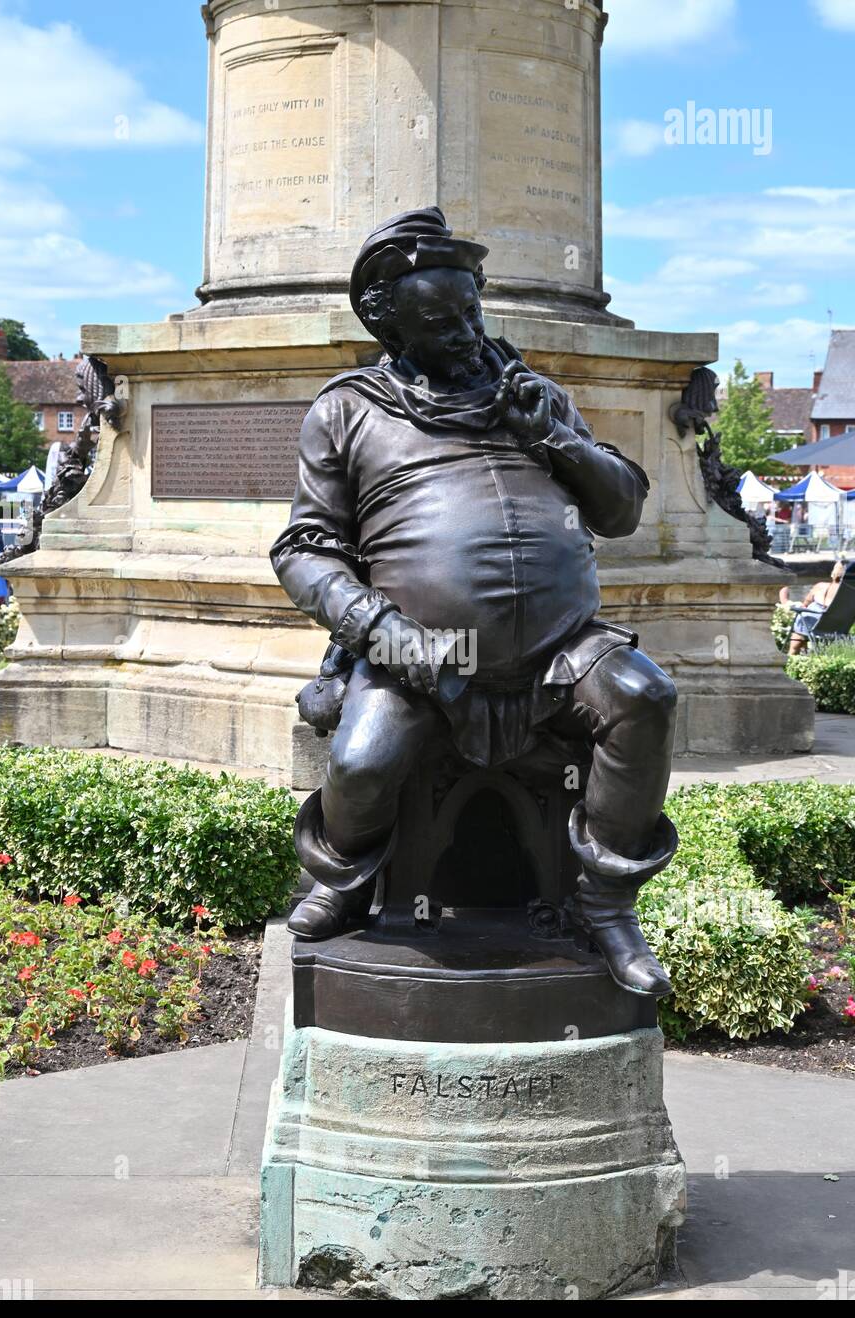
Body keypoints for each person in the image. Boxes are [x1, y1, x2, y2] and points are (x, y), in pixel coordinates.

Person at [271, 207, 680, 998]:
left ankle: (607, 904)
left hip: (560, 648)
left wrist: (555, 439)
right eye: (439, 320)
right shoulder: (349, 410)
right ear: (389, 323)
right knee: (360, 763)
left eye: (470, 312)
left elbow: (621, 511)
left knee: (645, 698)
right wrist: (385, 635)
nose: (464, 333)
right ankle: (346, 874)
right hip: (425, 651)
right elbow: (305, 549)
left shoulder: (535, 396)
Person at [779, 560, 846, 655]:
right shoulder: (850, 594)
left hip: (814, 625)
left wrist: (794, 606)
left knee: (800, 614)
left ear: (833, 574)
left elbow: (805, 604)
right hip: (837, 627)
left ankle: (793, 653)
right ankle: (804, 651)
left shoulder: (821, 586)